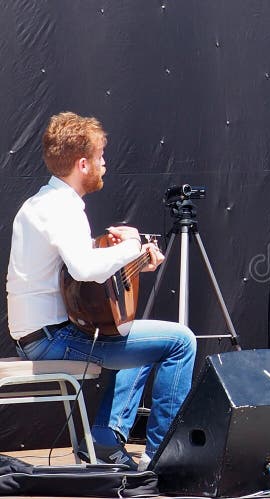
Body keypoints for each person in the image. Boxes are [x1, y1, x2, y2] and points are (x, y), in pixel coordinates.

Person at [6, 112, 197, 470]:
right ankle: (165, 458)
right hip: (54, 339)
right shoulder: (62, 208)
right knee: (180, 342)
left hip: (41, 334)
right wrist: (133, 245)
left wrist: (135, 258)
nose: (104, 164)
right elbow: (84, 269)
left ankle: (106, 437)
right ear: (82, 163)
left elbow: (76, 272)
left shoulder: (41, 202)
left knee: (134, 335)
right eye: (99, 157)